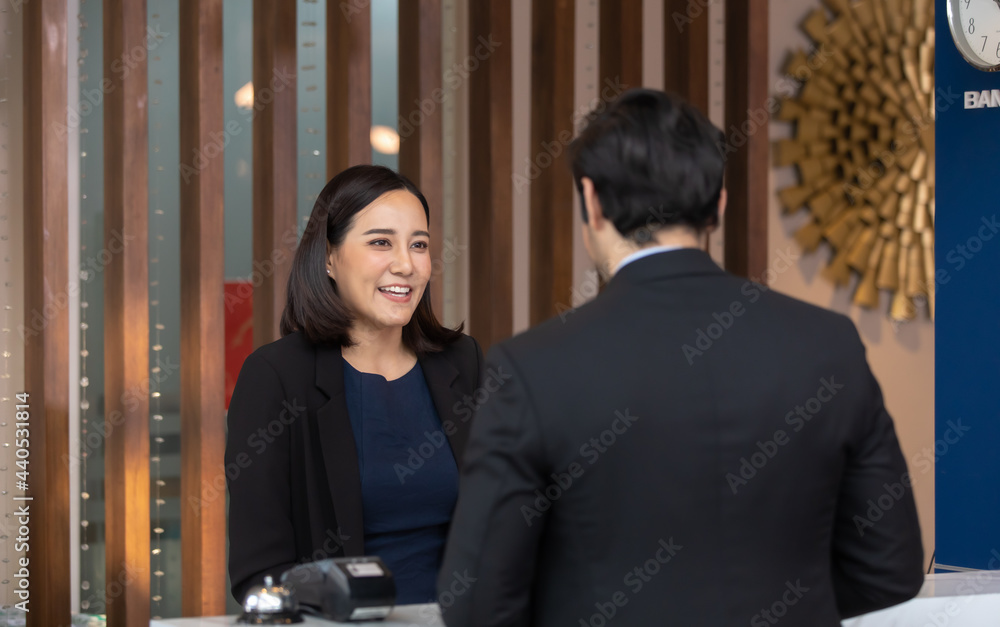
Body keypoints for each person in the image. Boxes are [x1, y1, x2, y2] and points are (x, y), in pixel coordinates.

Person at [438, 89, 923, 626]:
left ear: (592, 201)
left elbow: (475, 603)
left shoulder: (532, 367)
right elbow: (891, 569)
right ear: (718, 203)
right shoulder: (829, 346)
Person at [227, 164, 483, 605]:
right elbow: (260, 575)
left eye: (418, 245)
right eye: (381, 242)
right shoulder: (275, 377)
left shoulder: (463, 362)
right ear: (329, 257)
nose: (406, 265)